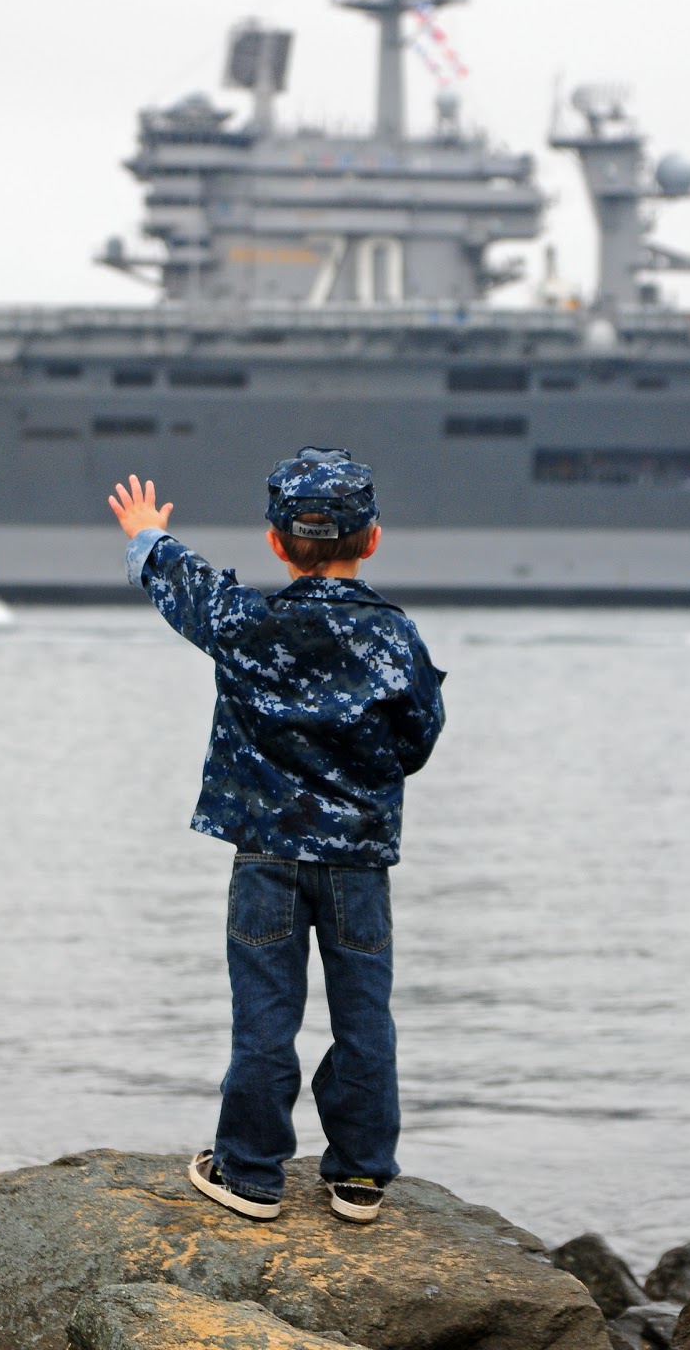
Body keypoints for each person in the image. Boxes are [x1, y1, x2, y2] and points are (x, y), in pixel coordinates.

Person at [108, 447, 445, 1224]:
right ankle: (359, 1176)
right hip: (358, 862)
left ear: (274, 542)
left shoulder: (250, 626)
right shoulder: (395, 637)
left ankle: (251, 1174)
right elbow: (419, 736)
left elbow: (189, 588)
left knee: (265, 1018)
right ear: (373, 539)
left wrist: (147, 534)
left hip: (267, 857)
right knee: (365, 1019)